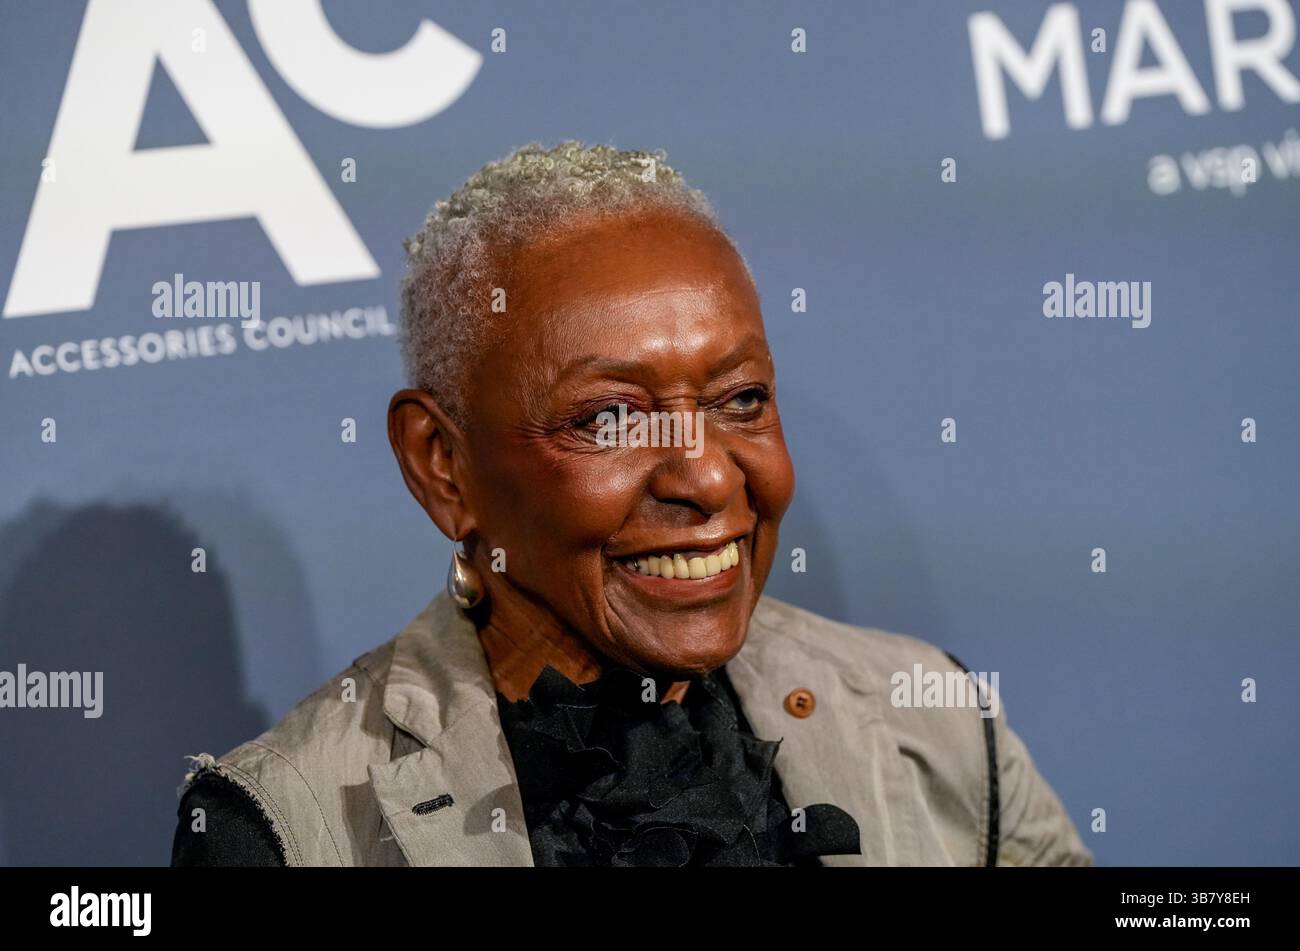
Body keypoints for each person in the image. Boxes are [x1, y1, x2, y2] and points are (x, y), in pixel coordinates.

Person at [171, 141, 1092, 867]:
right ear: (443, 466)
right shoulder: (287, 828)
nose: (710, 479)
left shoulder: (935, 718)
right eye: (610, 419)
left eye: (741, 402)